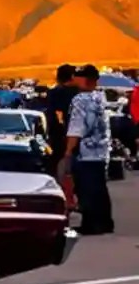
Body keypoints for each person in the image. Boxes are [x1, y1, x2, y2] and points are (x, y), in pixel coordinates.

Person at [62, 65, 113, 235]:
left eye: (78, 76)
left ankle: (92, 224)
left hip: (85, 151)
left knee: (86, 189)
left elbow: (76, 127)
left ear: (84, 79)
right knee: (99, 188)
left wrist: (69, 150)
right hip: (100, 149)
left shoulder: (80, 100)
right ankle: (105, 222)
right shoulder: (100, 97)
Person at [44, 64, 78, 179]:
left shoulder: (54, 93)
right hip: (75, 136)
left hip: (59, 135)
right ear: (72, 77)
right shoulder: (79, 93)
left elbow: (54, 115)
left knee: (56, 165)